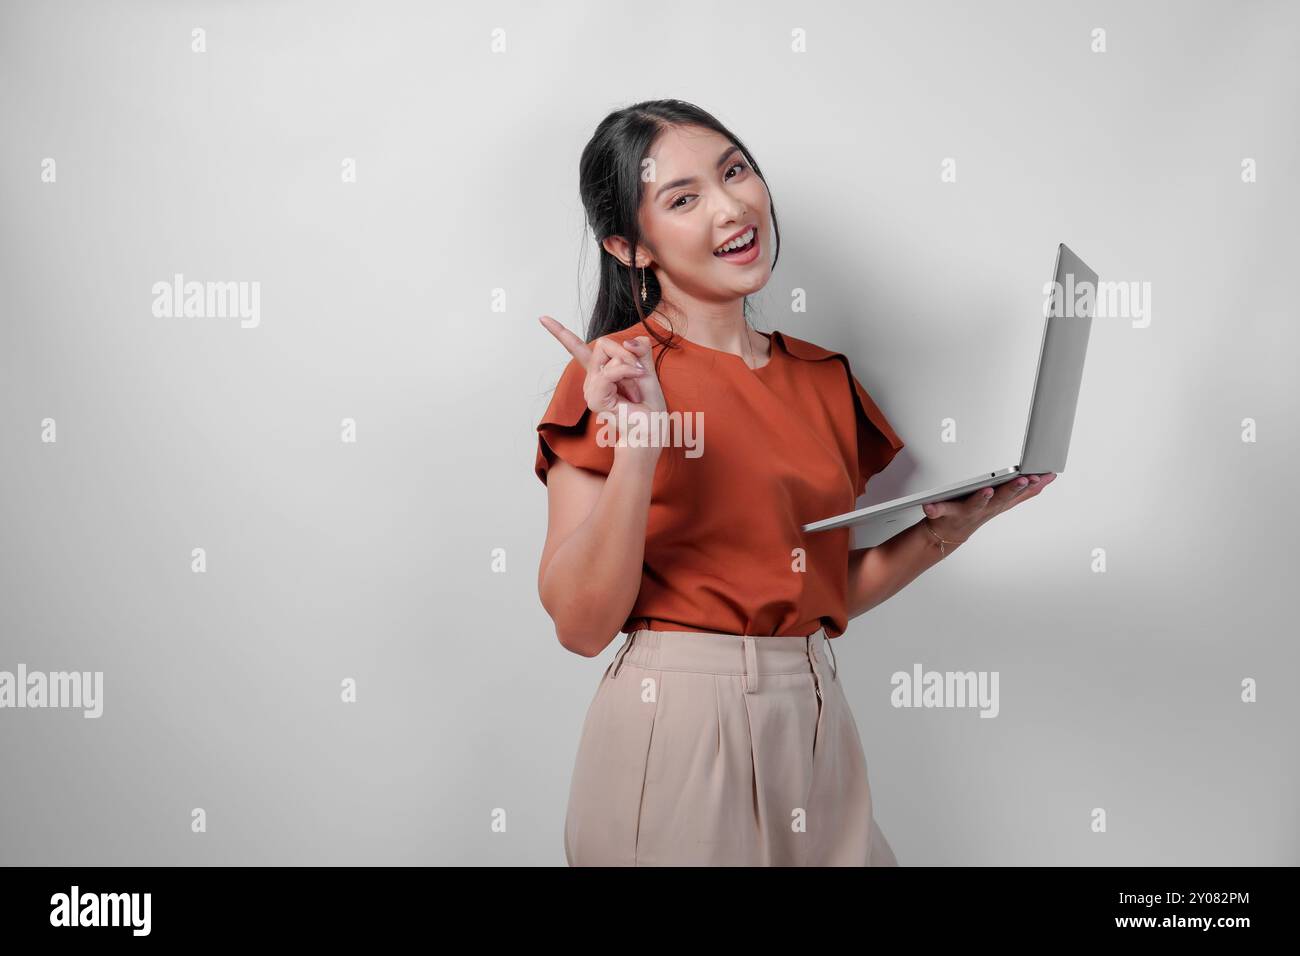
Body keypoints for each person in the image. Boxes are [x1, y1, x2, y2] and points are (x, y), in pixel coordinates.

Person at [534, 99, 1054, 866]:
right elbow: (580, 628)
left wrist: (945, 532)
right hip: (676, 723)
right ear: (628, 246)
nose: (730, 207)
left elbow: (813, 589)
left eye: (734, 171)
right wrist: (639, 447)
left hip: (814, 711)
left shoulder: (822, 380)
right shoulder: (613, 382)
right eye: (683, 199)